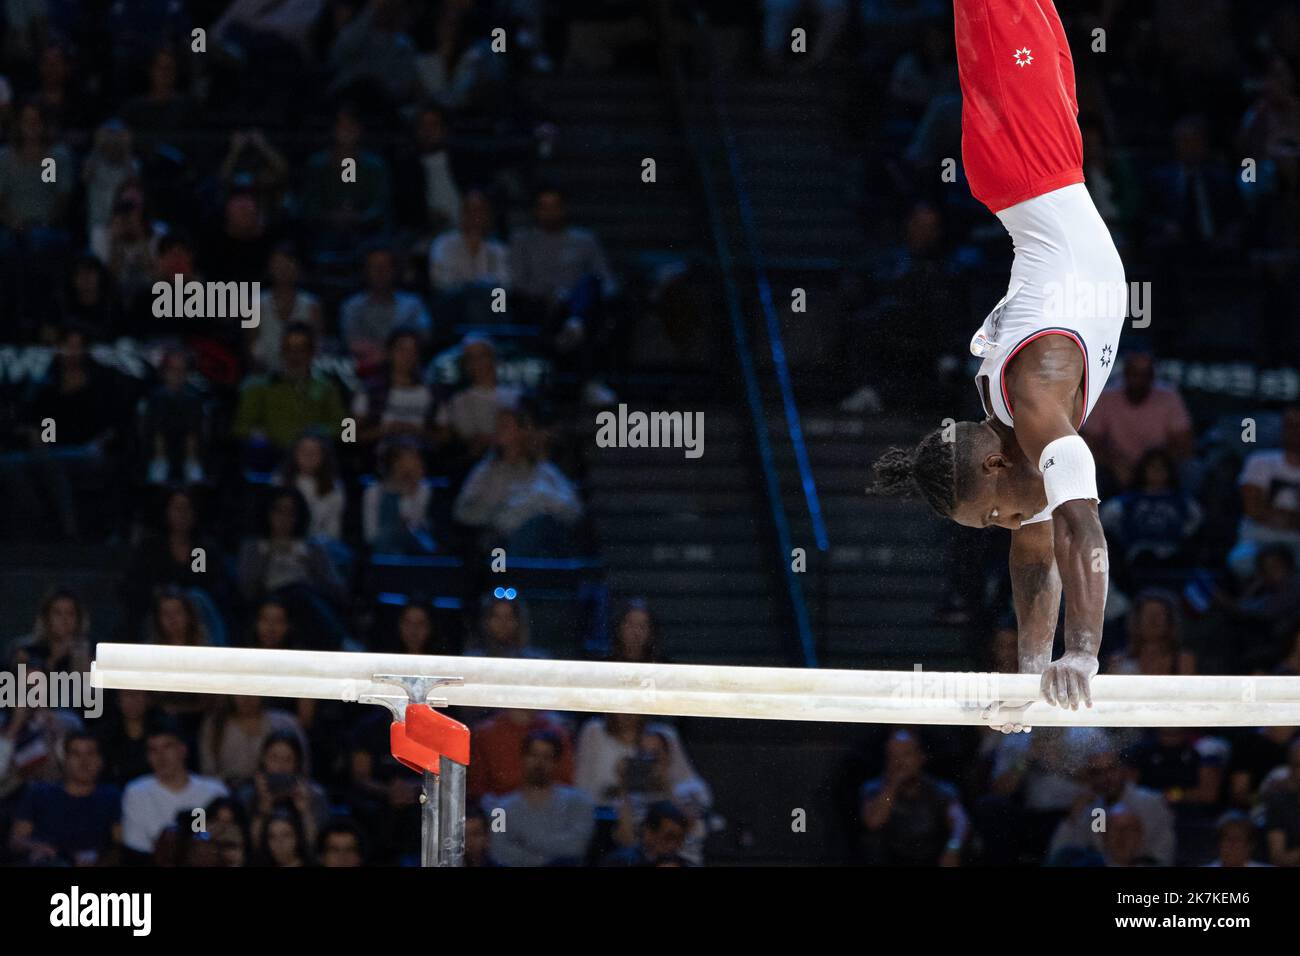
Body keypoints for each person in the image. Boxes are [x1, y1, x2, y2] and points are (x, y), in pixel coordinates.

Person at [870, 0, 1127, 725]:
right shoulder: (1025, 422)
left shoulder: (1035, 404)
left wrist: (1084, 649)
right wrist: (1031, 675)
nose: (1001, 525)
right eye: (989, 522)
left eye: (988, 517)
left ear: (992, 468)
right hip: (1033, 168)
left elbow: (1081, 530)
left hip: (1031, 166)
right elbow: (1042, 550)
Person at [120, 718, 228, 859]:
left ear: (182, 750)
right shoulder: (136, 792)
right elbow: (137, 847)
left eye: (167, 747)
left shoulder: (215, 790)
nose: (161, 756)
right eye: (153, 750)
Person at [483, 731, 595, 867]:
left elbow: (577, 846)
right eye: (533, 755)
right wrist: (543, 860)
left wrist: (525, 839)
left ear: (557, 762)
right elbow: (498, 851)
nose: (539, 763)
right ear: (523, 758)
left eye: (547, 757)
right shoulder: (499, 809)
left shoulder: (580, 802)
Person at [9, 732, 122, 866]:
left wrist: (99, 859)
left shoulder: (111, 796)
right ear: (65, 760)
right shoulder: (40, 793)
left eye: (90, 754)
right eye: (76, 754)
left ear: (100, 760)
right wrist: (36, 847)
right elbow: (17, 840)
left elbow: (120, 844)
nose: (84, 762)